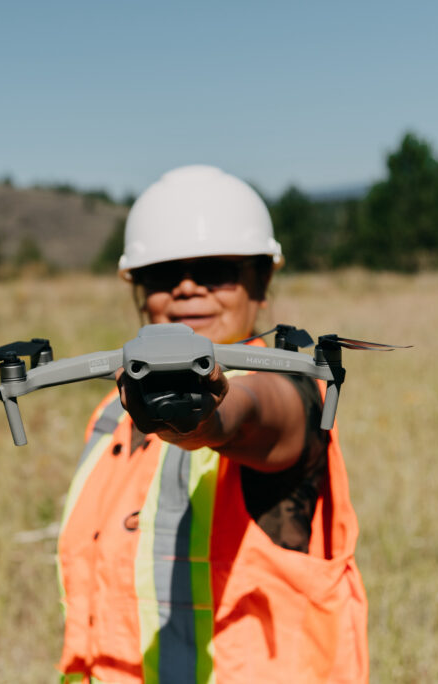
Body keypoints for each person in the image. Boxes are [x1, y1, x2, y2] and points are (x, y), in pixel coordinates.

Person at [56, 165, 368, 683]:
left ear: (261, 282)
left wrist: (199, 416)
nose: (186, 288)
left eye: (216, 270)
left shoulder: (286, 389)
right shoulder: (112, 412)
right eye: (162, 275)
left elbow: (246, 413)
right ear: (139, 290)